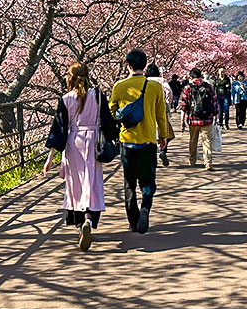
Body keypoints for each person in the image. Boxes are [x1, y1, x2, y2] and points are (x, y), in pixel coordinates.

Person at [45, 62, 117, 251]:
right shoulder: (98, 95)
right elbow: (108, 123)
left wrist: (50, 157)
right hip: (93, 142)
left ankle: (79, 227)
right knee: (92, 184)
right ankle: (89, 222)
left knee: (75, 185)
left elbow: (59, 129)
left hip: (73, 142)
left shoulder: (66, 98)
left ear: (71, 77)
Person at [109, 49, 169, 234]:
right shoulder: (154, 87)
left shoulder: (119, 86)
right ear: (145, 65)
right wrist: (163, 135)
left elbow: (111, 111)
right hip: (148, 141)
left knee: (129, 183)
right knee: (148, 181)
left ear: (128, 65)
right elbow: (161, 113)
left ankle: (133, 221)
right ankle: (145, 208)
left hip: (127, 142)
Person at [179, 68, 218, 171]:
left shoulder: (188, 88)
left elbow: (184, 105)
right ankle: (208, 162)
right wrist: (216, 114)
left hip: (193, 119)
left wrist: (182, 120)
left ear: (190, 77)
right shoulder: (208, 87)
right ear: (200, 76)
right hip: (207, 119)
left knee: (193, 140)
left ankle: (192, 161)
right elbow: (214, 101)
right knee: (207, 141)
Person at [145, 64, 176, 167]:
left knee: (151, 133)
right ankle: (163, 150)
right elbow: (169, 92)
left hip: (149, 109)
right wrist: (167, 103)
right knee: (165, 131)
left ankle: (152, 158)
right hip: (161, 109)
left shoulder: (145, 81)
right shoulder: (161, 80)